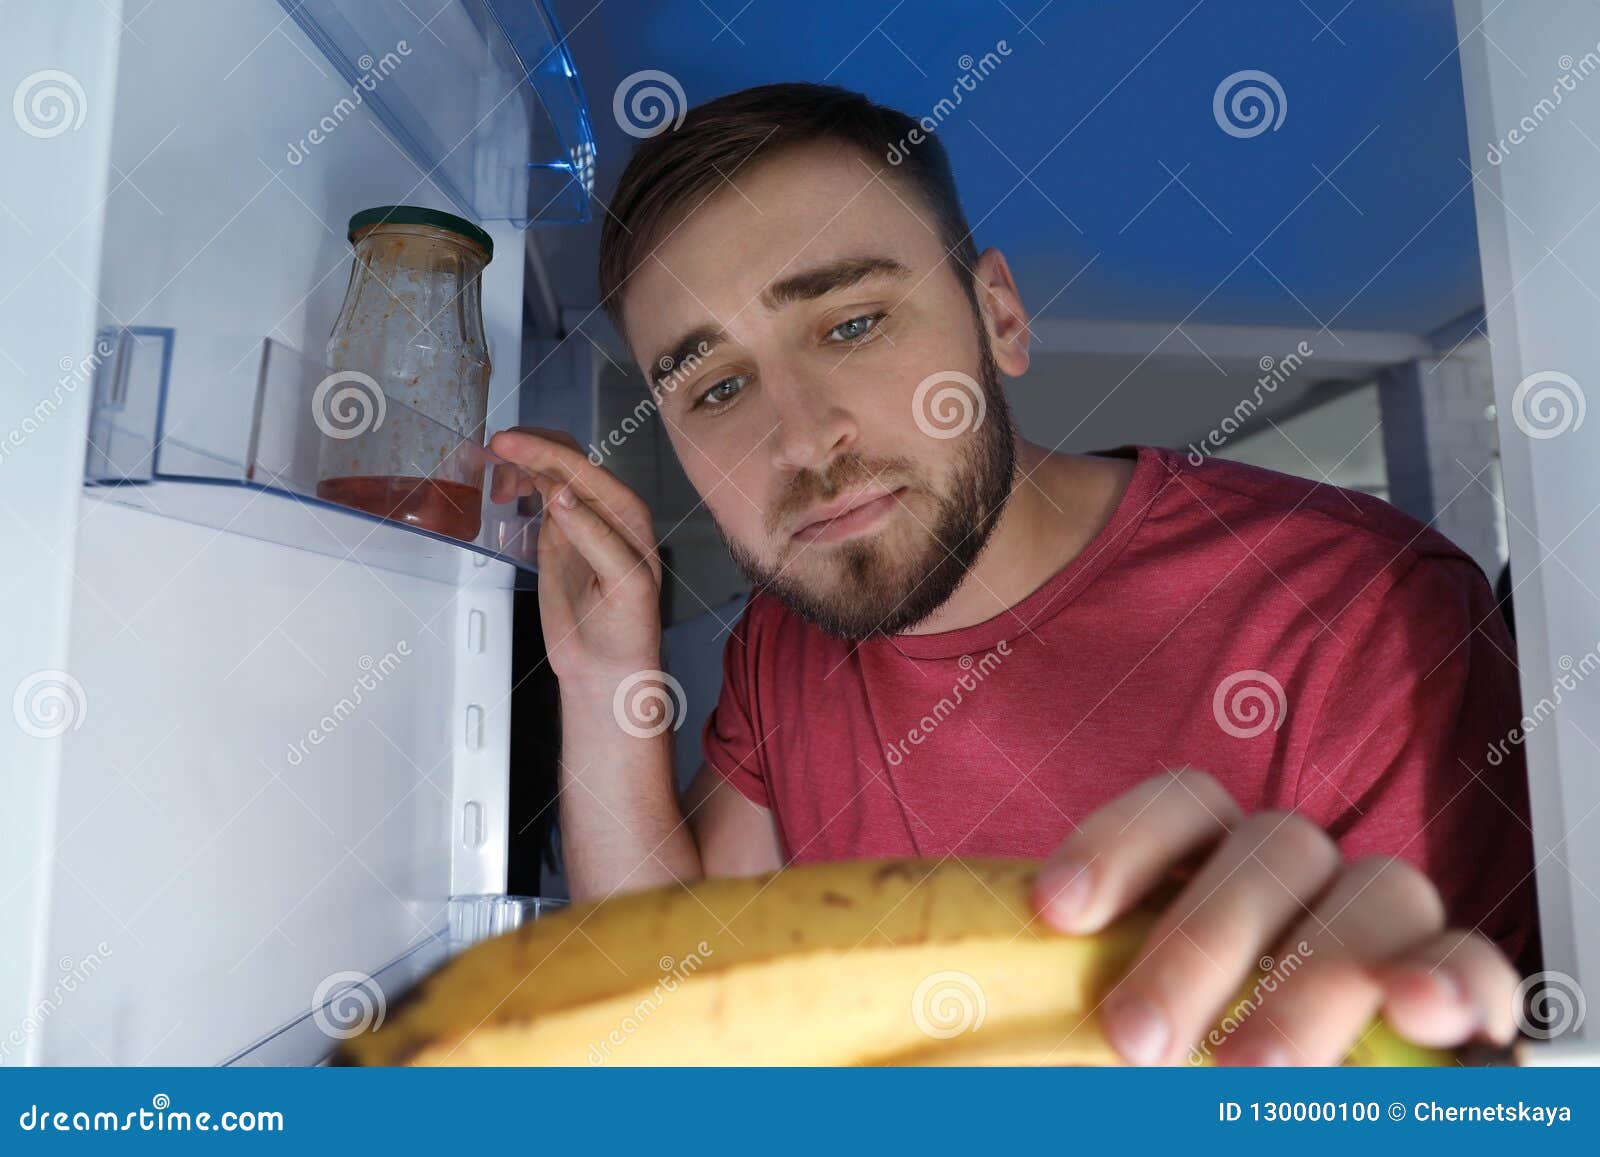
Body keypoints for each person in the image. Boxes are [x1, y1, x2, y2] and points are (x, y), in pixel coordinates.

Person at [488, 83, 1535, 1066]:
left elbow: (1467, 1077)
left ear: (999, 316)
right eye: (716, 388)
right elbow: (679, 1000)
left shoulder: (1369, 612)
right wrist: (605, 676)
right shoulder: (782, 638)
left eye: (851, 323)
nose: (801, 439)